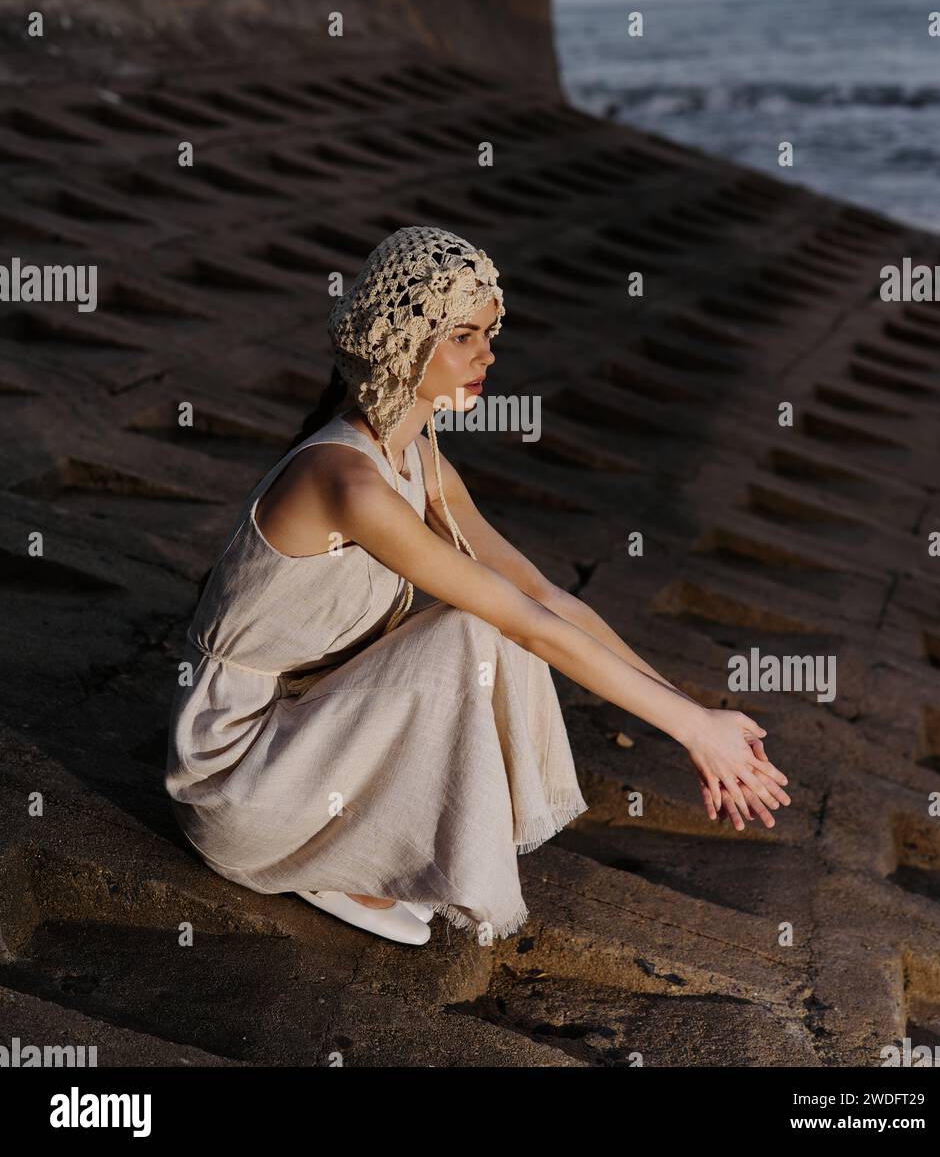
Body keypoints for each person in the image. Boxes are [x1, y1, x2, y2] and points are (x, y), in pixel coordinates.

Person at [165, 226, 790, 947]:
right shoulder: (347, 482)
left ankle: (357, 840)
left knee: (488, 618)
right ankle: (329, 856)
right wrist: (688, 729)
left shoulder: (420, 460)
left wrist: (693, 716)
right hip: (235, 784)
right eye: (464, 335)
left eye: (490, 333)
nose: (488, 354)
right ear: (401, 337)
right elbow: (524, 622)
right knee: (473, 628)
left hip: (297, 729)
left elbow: (546, 597)